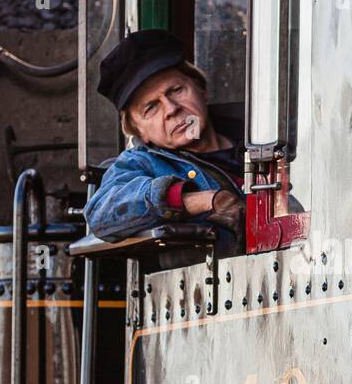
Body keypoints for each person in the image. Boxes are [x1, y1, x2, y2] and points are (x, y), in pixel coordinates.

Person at [84, 29, 245, 243]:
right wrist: (199, 200)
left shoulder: (263, 130)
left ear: (201, 88)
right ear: (138, 130)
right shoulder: (141, 163)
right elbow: (100, 215)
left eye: (177, 90)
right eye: (151, 107)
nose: (171, 109)